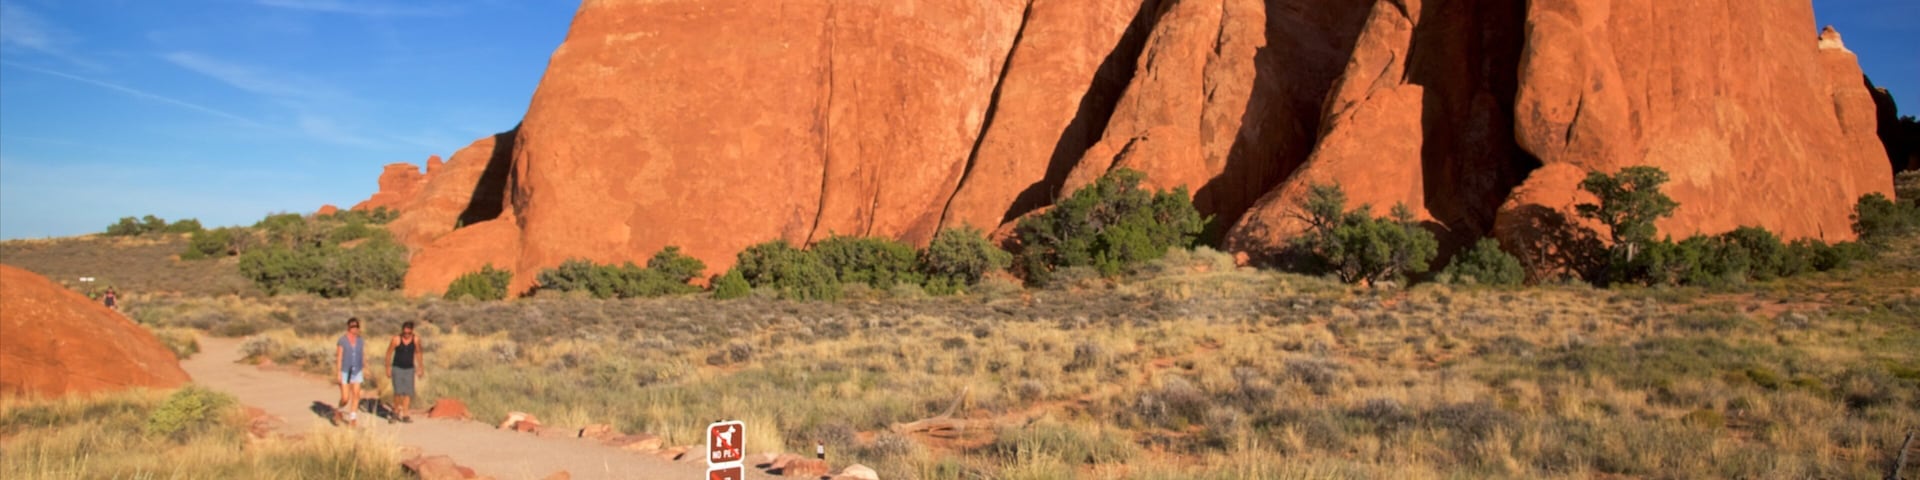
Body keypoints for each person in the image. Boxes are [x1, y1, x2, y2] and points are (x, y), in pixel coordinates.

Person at [385, 321, 425, 423]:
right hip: (397, 368)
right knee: (398, 392)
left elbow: (418, 353)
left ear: (412, 331)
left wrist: (420, 367)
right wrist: (387, 368)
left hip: (409, 369)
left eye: (409, 333)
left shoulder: (415, 340)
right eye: (405, 332)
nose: (406, 335)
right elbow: (389, 353)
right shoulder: (396, 339)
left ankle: (405, 414)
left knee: (408, 392)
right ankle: (395, 411)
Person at [334, 317, 367, 426]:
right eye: (352, 326)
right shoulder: (342, 340)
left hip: (357, 370)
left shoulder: (360, 340)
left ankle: (353, 418)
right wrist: (338, 373)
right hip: (345, 371)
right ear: (348, 327)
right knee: (345, 397)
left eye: (356, 326)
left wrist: (364, 367)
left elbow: (362, 354)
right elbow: (339, 357)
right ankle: (339, 410)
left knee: (356, 394)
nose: (354, 329)